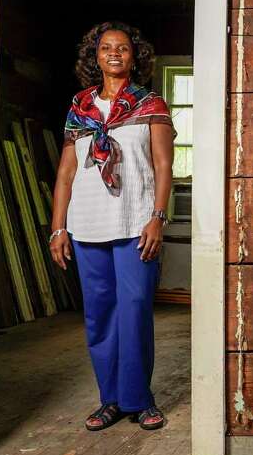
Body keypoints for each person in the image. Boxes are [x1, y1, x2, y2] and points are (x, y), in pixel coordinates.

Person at [48, 21, 175, 432]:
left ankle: (140, 399)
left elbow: (162, 165)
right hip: (86, 226)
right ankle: (111, 400)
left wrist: (157, 218)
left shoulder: (150, 104)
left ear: (134, 56)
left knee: (135, 310)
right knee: (100, 315)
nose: (115, 53)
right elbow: (66, 174)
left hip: (136, 223)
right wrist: (58, 227)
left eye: (123, 47)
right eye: (106, 48)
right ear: (95, 57)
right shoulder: (79, 108)